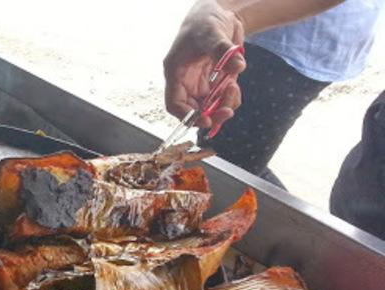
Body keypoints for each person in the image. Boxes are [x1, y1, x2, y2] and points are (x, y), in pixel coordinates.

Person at [164, 0, 385, 240]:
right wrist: (228, 13)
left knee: (229, 158)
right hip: (271, 24)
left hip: (295, 42)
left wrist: (229, 12)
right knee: (353, 227)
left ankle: (296, 240)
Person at [196, 1, 385, 187]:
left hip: (288, 41)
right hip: (265, 29)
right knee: (224, 155)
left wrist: (222, 14)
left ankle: (293, 218)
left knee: (224, 163)